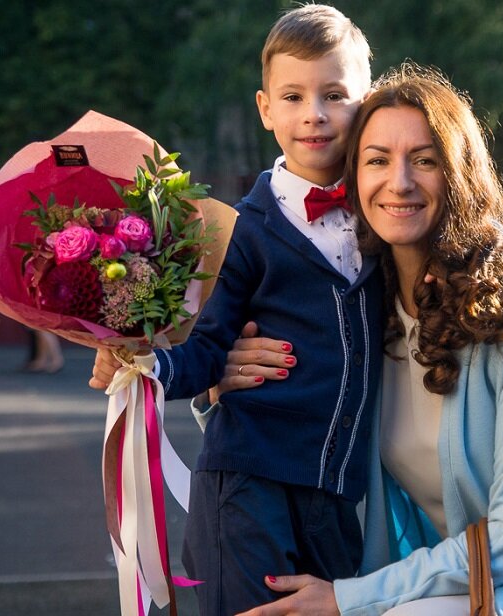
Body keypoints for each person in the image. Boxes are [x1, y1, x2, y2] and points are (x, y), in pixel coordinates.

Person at [200, 64, 503, 615]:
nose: (399, 182)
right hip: (462, 589)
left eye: (424, 160)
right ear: (352, 179)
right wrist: (223, 379)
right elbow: (311, 428)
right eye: (377, 160)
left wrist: (348, 598)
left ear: (458, 174)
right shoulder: (368, 318)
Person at [92, 6, 379, 613]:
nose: (314, 113)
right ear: (265, 108)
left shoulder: (386, 217)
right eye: (294, 96)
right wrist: (144, 367)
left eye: (335, 94)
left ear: (367, 101)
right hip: (246, 482)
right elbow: (210, 345)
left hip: (334, 494)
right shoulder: (245, 231)